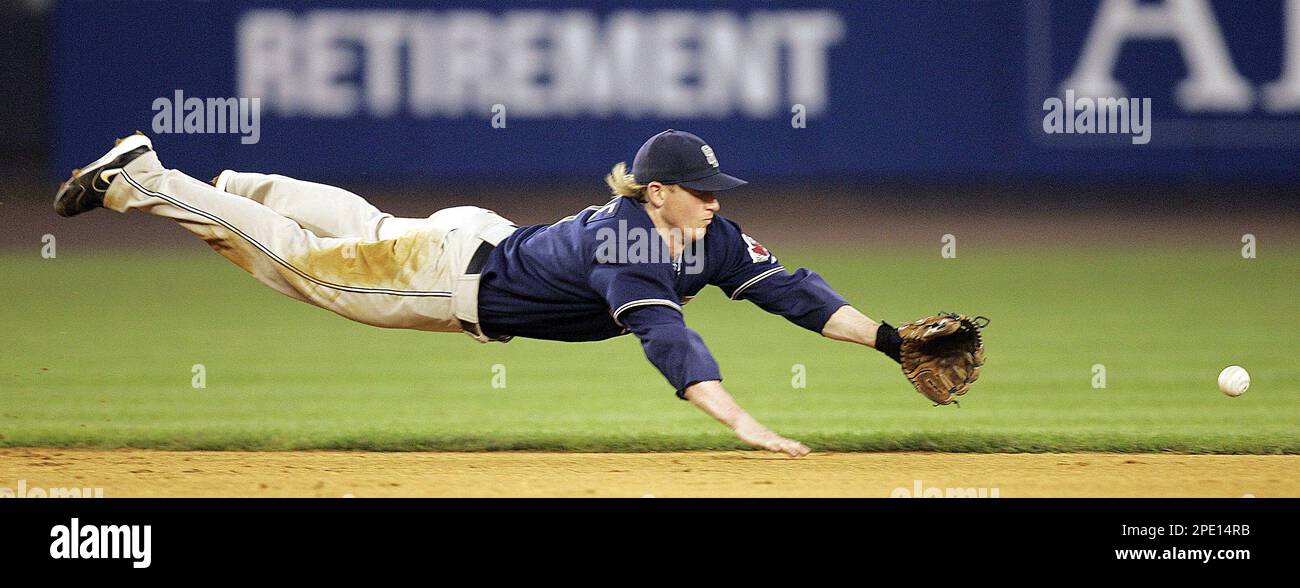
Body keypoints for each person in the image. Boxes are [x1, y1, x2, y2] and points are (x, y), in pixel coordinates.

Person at [54, 129, 910, 457]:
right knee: (306, 270)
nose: (719, 201)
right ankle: (145, 182)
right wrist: (744, 422)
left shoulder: (707, 237)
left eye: (720, 189)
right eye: (704, 189)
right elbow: (668, 341)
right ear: (658, 193)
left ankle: (238, 184)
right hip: (451, 274)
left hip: (482, 238)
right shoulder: (630, 245)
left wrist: (892, 342)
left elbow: (793, 291)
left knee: (362, 226)